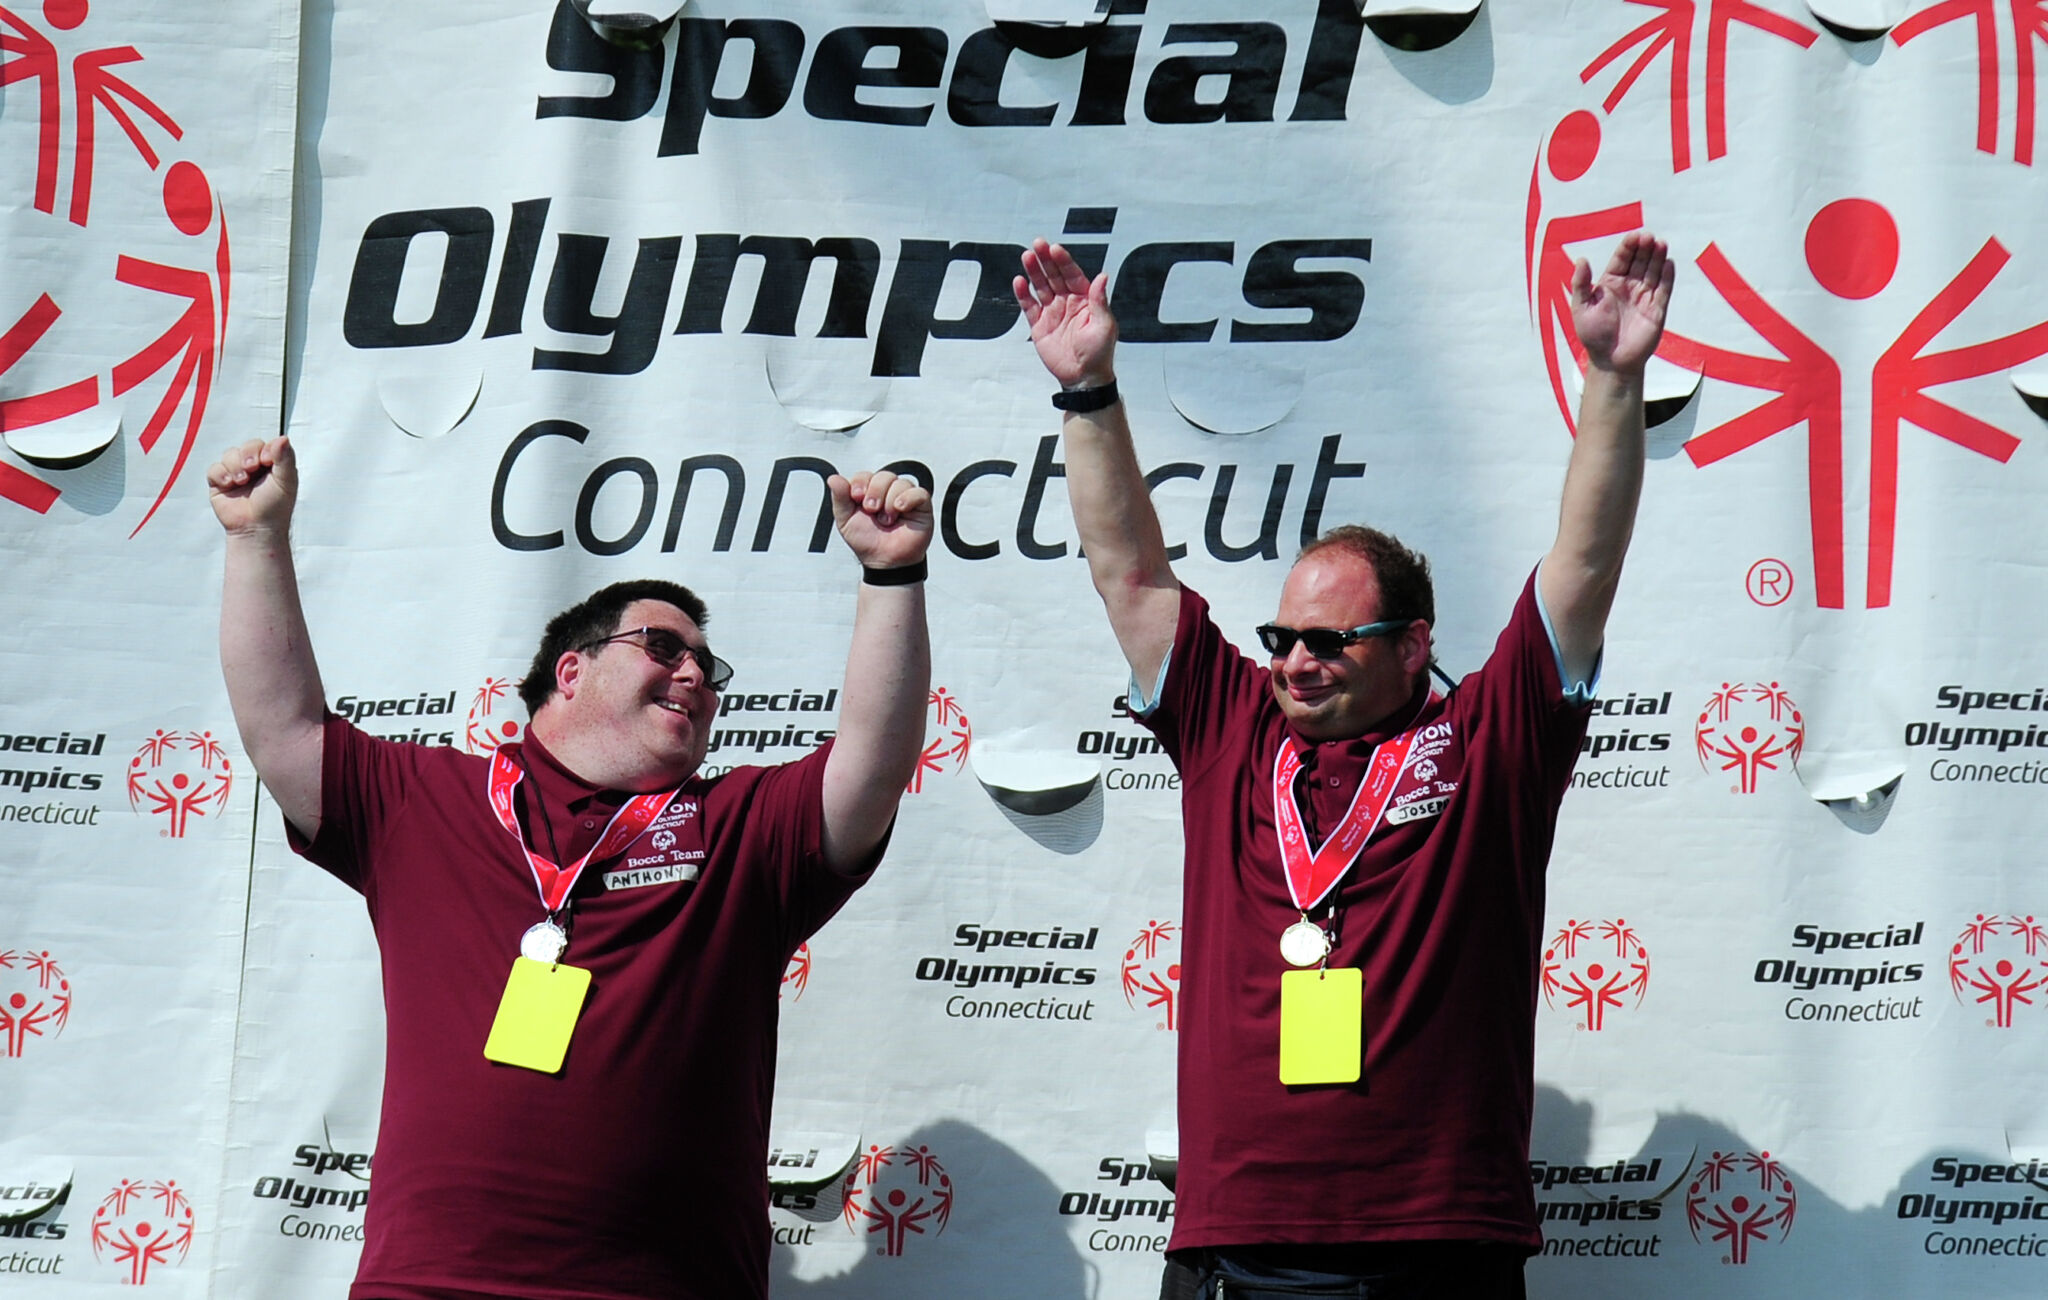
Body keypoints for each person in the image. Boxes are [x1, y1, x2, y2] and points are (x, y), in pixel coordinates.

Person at [1014, 233, 1672, 1299]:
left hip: (1432, 1242)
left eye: (1330, 641)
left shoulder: (1484, 743)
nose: (1296, 660)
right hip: (1232, 1241)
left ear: (1413, 645)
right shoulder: (1229, 725)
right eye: (1280, 638)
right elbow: (1127, 570)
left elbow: (1582, 563)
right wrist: (1088, 392)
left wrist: (1612, 378)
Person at [206, 435, 932, 1300]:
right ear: (572, 668)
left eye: (709, 664)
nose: (695, 671)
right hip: (430, 1286)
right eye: (663, 646)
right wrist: (256, 539)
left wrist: (892, 575)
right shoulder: (420, 799)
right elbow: (284, 729)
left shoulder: (740, 826)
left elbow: (873, 764)